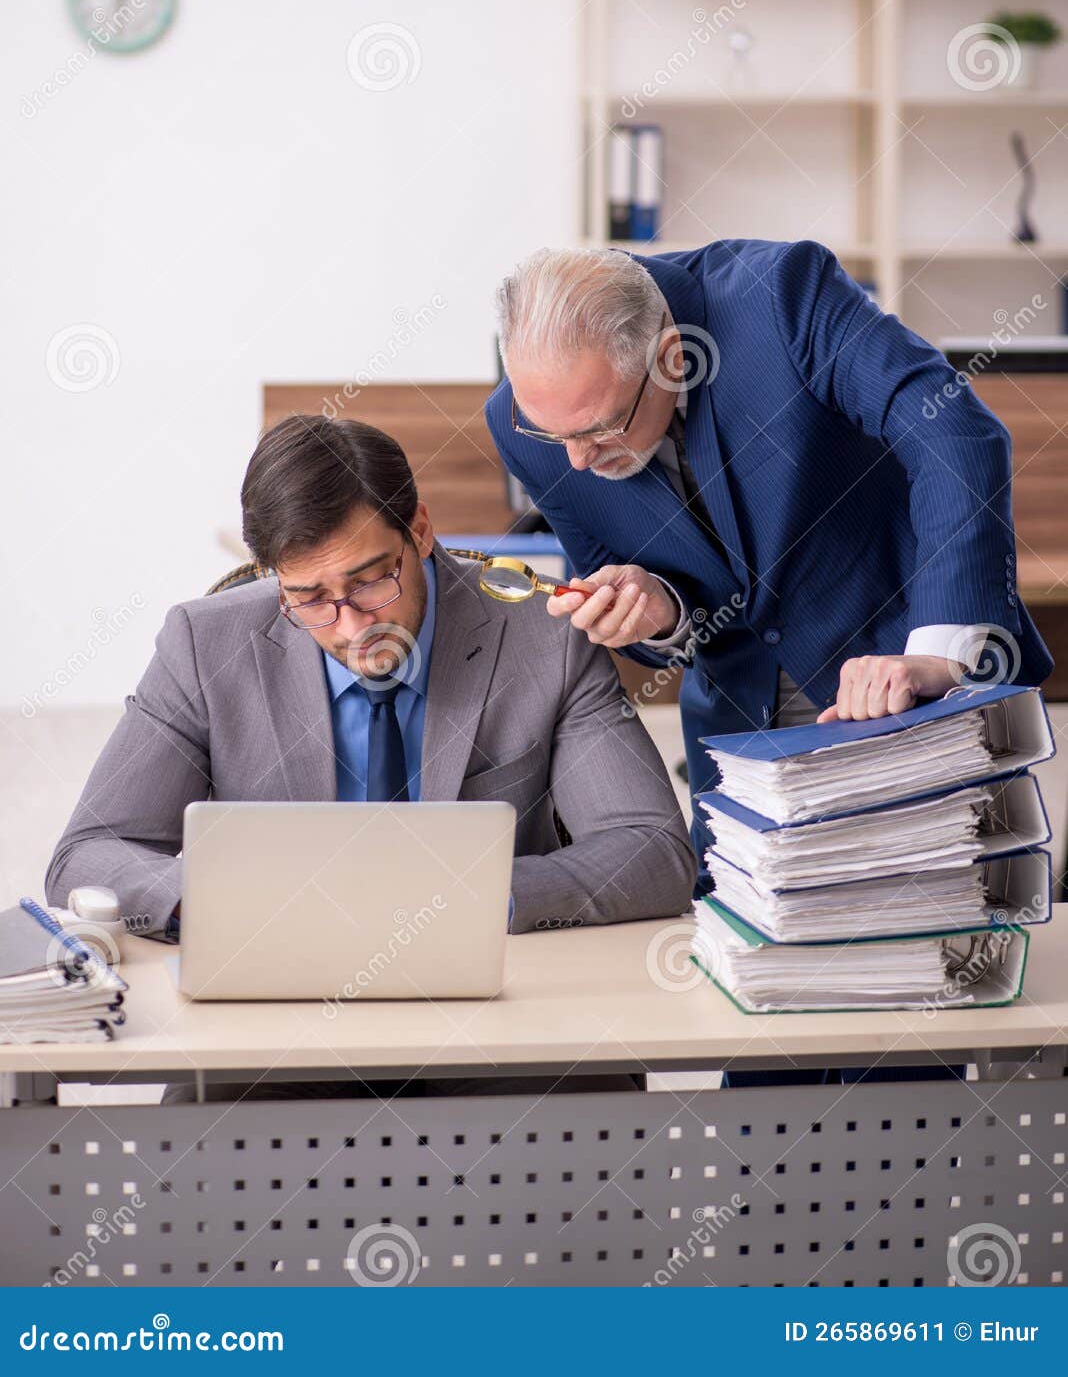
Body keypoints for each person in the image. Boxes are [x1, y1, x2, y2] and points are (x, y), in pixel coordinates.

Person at [46, 415, 695, 1102]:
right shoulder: (204, 646)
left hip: (503, 1025)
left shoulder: (545, 639)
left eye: (370, 581)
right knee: (197, 1145)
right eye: (310, 600)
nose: (354, 627)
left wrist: (480, 897)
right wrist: (225, 902)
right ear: (276, 581)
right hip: (275, 1036)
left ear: (420, 531)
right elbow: (87, 853)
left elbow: (653, 850)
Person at [486, 240, 1052, 893]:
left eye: (601, 428)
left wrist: (941, 653)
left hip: (902, 677)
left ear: (672, 355)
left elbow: (955, 435)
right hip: (740, 735)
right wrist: (657, 609)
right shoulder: (521, 423)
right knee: (748, 935)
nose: (577, 460)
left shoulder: (782, 297)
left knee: (941, 916)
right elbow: (622, 585)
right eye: (553, 434)